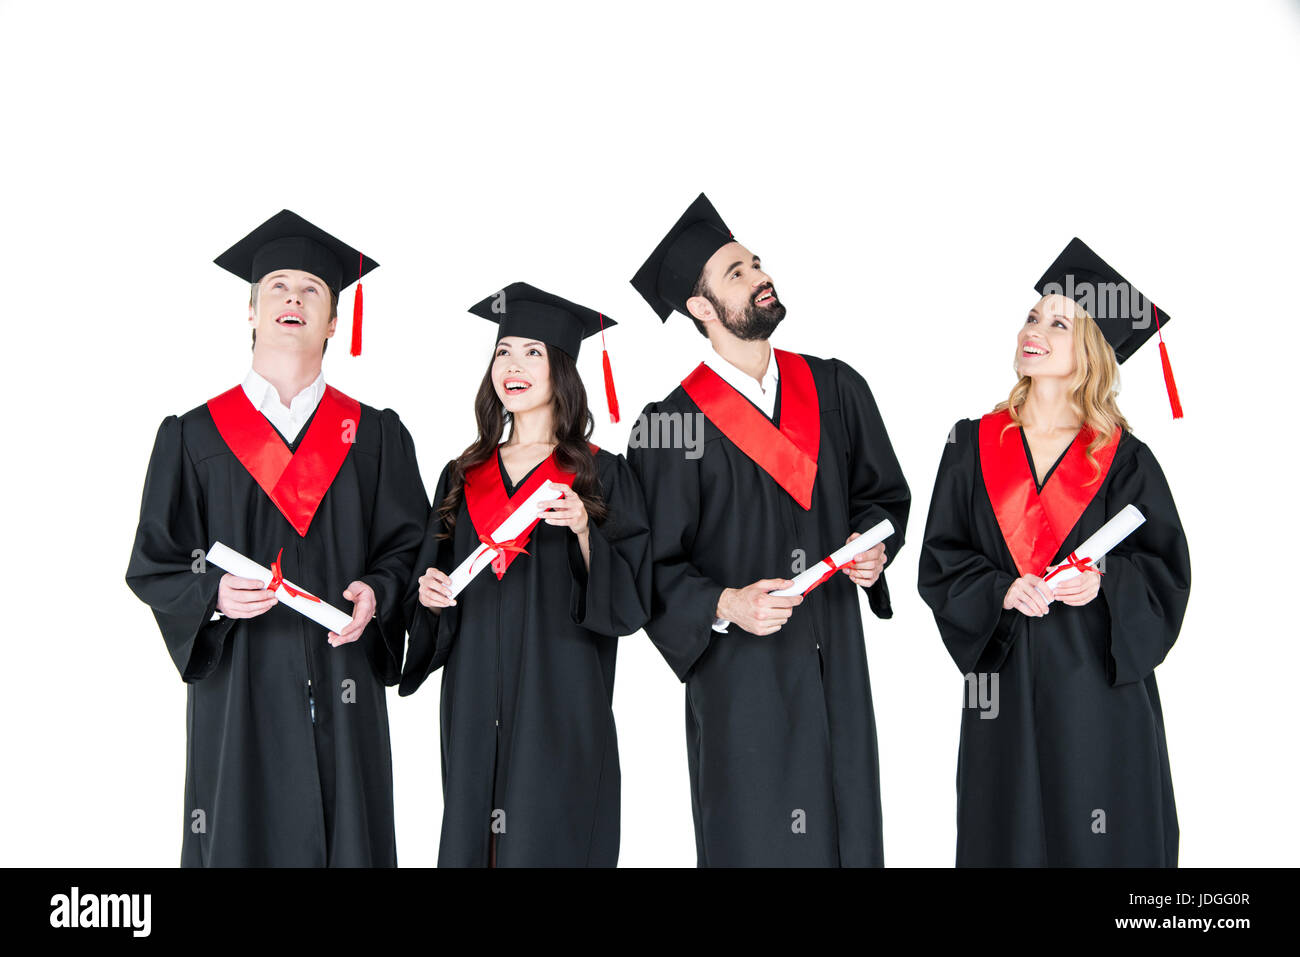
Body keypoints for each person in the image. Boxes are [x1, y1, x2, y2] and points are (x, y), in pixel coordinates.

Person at [125, 209, 429, 866]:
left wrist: (378, 592)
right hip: (241, 689)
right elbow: (155, 561)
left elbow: (411, 548)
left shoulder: (376, 438)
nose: (294, 297)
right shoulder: (194, 437)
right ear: (253, 312)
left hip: (343, 678)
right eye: (278, 287)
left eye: (313, 289)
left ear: (334, 319)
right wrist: (211, 593)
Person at [625, 194, 911, 866]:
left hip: (837, 666)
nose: (759, 275)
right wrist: (725, 604)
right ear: (700, 307)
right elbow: (650, 567)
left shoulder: (837, 388)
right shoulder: (670, 428)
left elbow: (883, 497)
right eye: (735, 272)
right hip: (741, 688)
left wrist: (876, 546)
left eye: (755, 262)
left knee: (849, 836)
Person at [917, 237, 1191, 866]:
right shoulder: (971, 444)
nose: (1033, 330)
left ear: (1089, 350)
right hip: (1003, 685)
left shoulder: (1123, 457)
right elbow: (941, 558)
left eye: (1058, 323)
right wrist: (997, 589)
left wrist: (1108, 582)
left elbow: (1166, 569)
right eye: (1033, 316)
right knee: (1006, 834)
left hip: (1097, 687)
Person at [400, 282, 651, 867]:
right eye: (503, 352)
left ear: (561, 368)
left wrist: (585, 529)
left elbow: (633, 596)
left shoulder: (599, 473)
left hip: (562, 694)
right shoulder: (461, 474)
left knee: (552, 831)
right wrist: (430, 596)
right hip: (471, 694)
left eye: (532, 352)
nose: (512, 366)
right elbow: (428, 583)